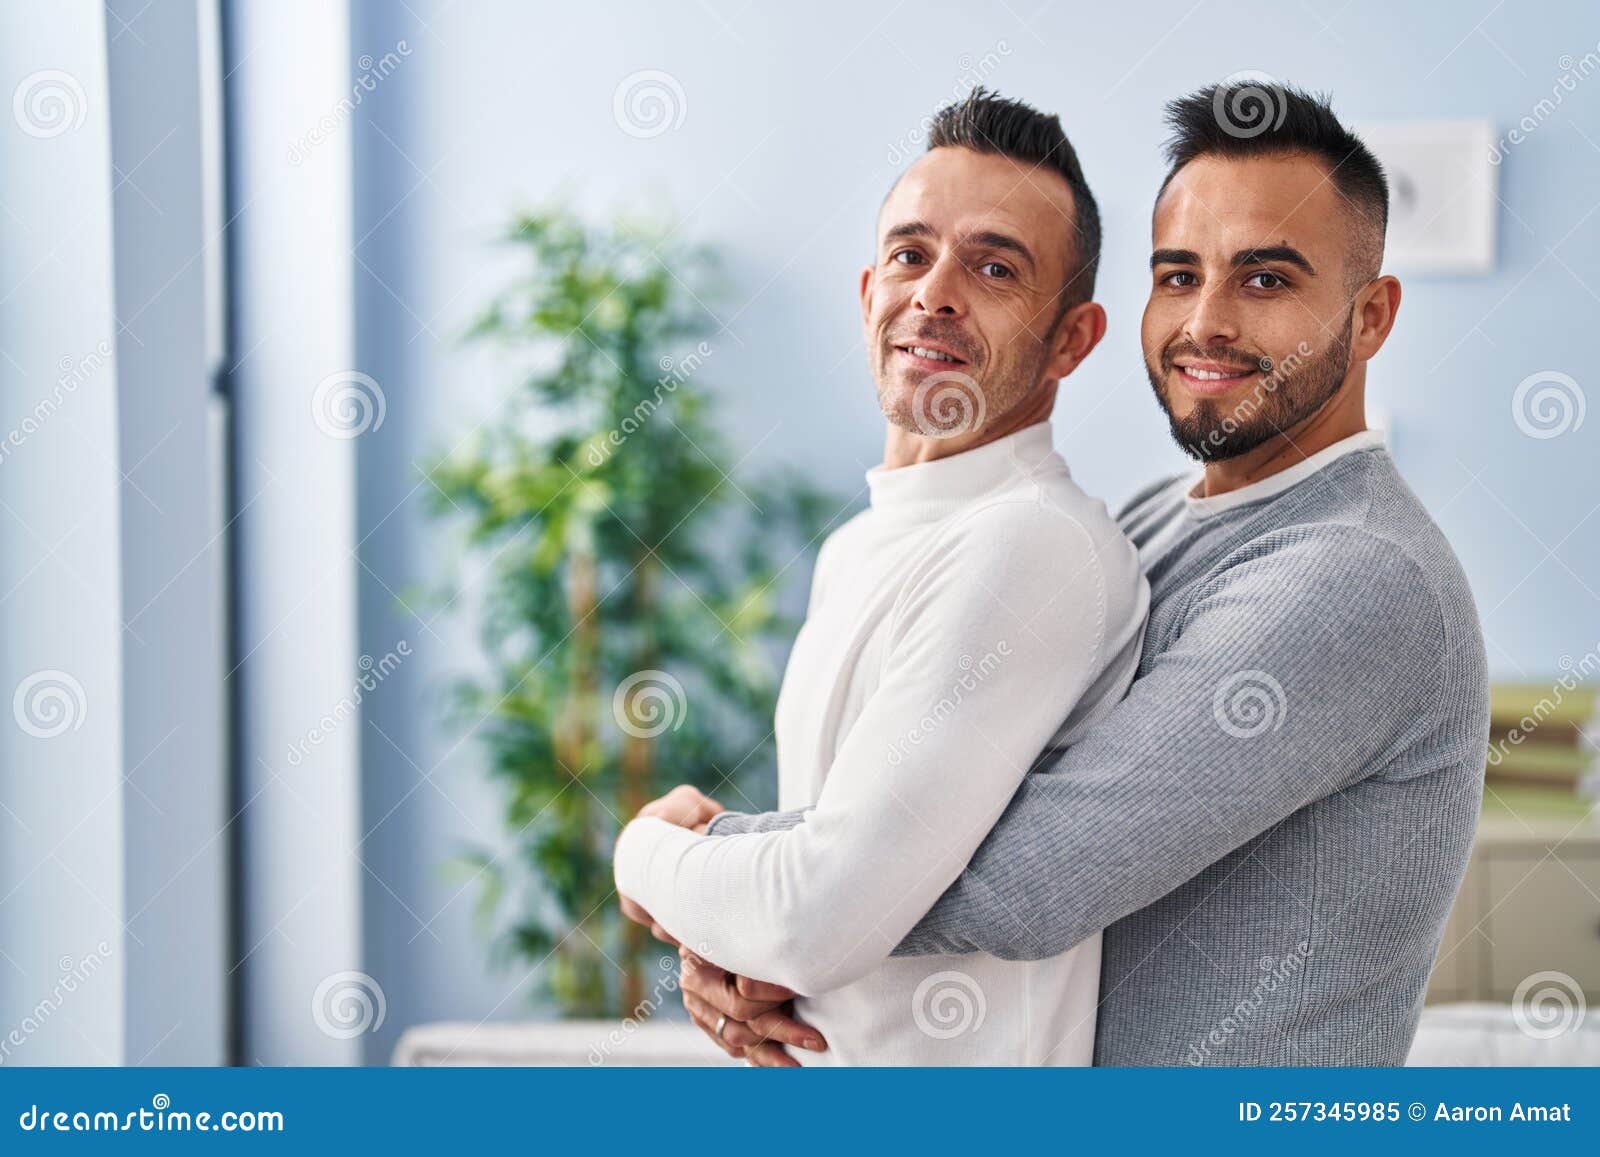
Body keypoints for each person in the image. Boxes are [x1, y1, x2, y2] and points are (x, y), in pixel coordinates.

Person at [636, 80, 1489, 1067]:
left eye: (1264, 280)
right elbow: (928, 825)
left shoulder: (1356, 575)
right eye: (1178, 274)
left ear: (1371, 316)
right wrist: (748, 918)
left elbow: (1026, 877)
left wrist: (704, 872)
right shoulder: (1154, 519)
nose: (1206, 321)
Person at [614, 88, 1149, 1064]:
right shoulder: (857, 548)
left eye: (994, 267)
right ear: (869, 294)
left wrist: (643, 850)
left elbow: (815, 915)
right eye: (910, 254)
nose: (934, 292)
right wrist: (722, 938)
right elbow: (821, 889)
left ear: (1071, 339)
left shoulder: (1031, 543)